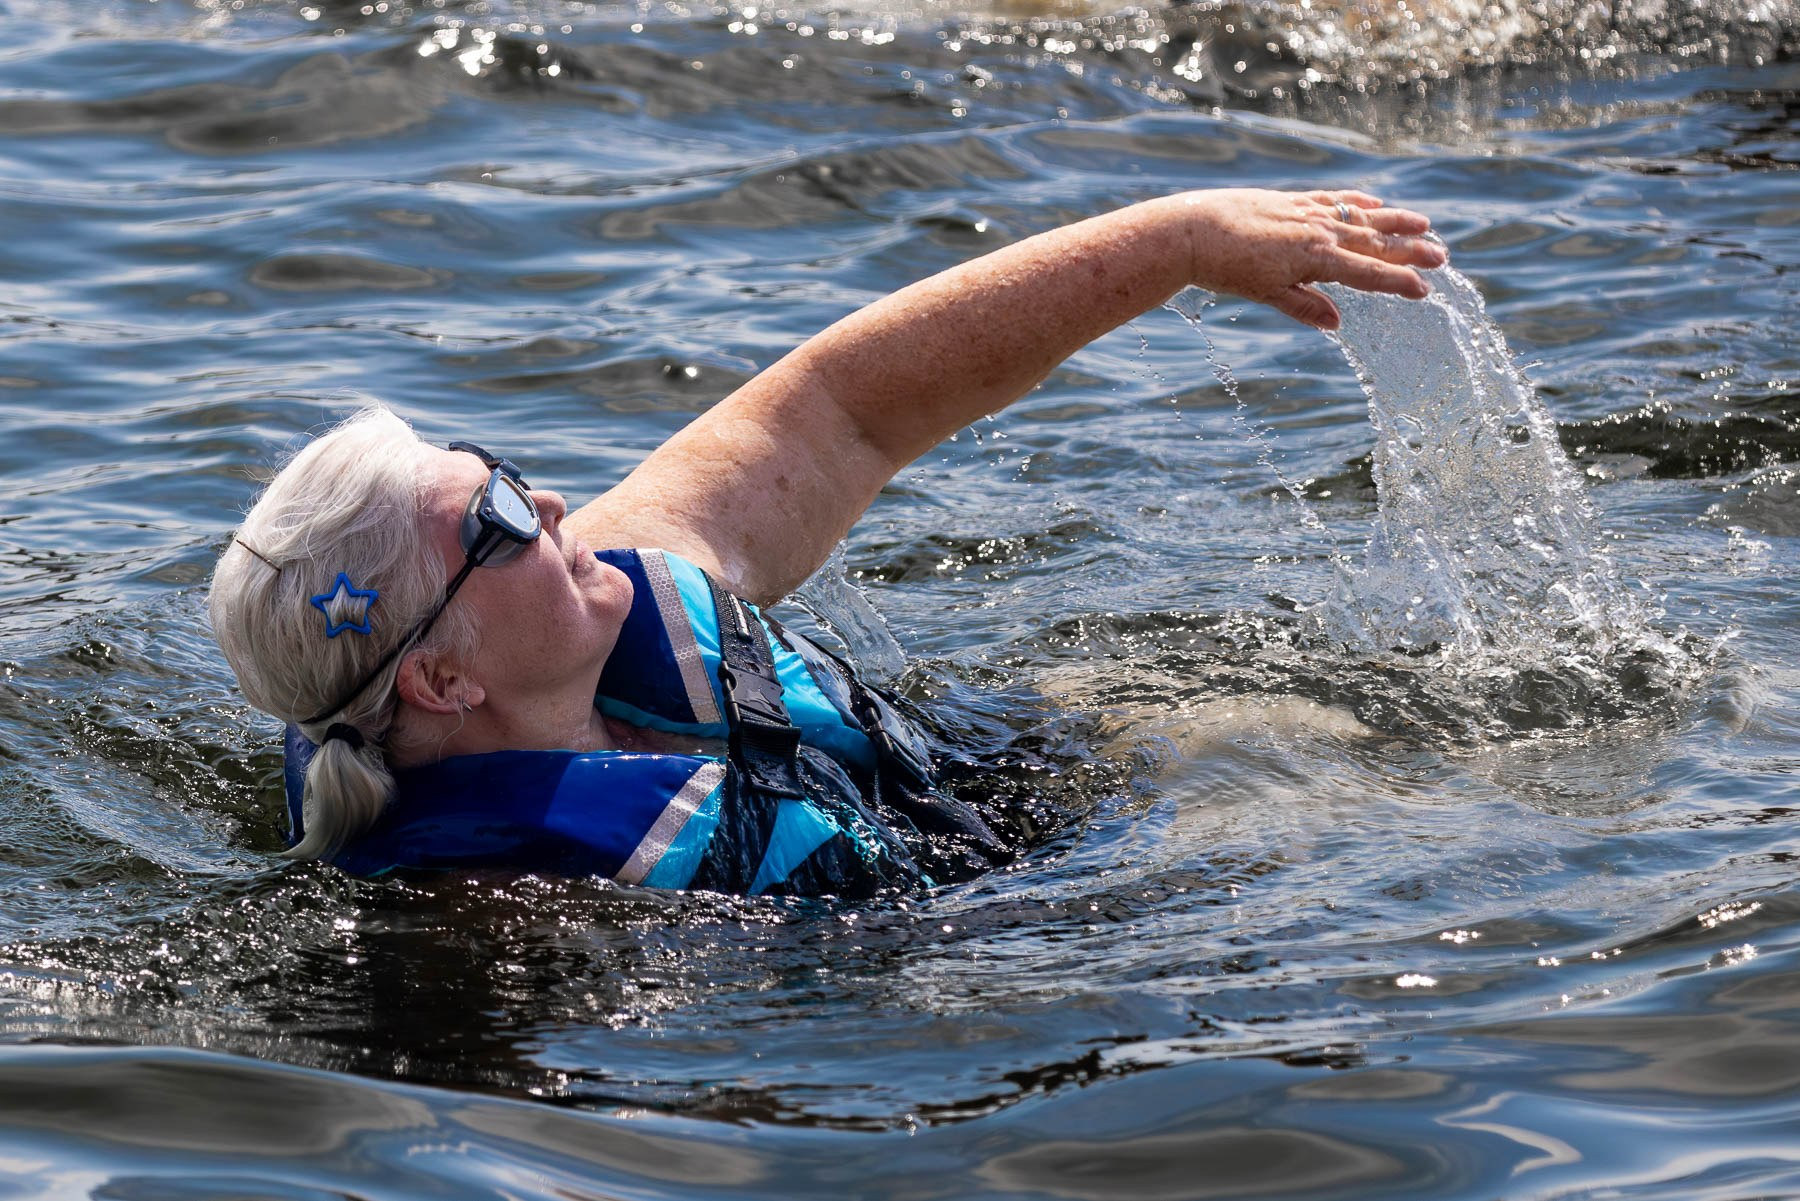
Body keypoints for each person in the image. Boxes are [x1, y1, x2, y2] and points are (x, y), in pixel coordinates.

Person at [210, 187, 1445, 897]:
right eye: (490, 520)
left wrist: (1181, 242)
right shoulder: (508, 916)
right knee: (1392, 830)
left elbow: (847, 407)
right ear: (441, 677)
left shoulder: (598, 603)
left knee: (1345, 721)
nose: (548, 508)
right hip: (1010, 937)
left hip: (991, 779)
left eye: (507, 473)